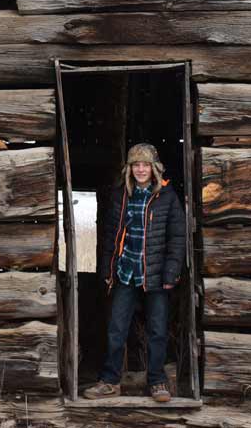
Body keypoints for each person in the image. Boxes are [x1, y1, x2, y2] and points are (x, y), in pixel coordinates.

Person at [83, 143, 186, 402]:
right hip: (126, 272)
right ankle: (110, 382)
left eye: (145, 165)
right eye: (136, 165)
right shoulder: (121, 195)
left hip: (155, 274)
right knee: (116, 329)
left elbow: (177, 237)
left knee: (157, 331)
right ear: (129, 169)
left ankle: (157, 382)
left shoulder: (167, 197)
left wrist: (171, 272)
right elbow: (110, 236)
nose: (140, 169)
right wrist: (108, 269)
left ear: (154, 168)